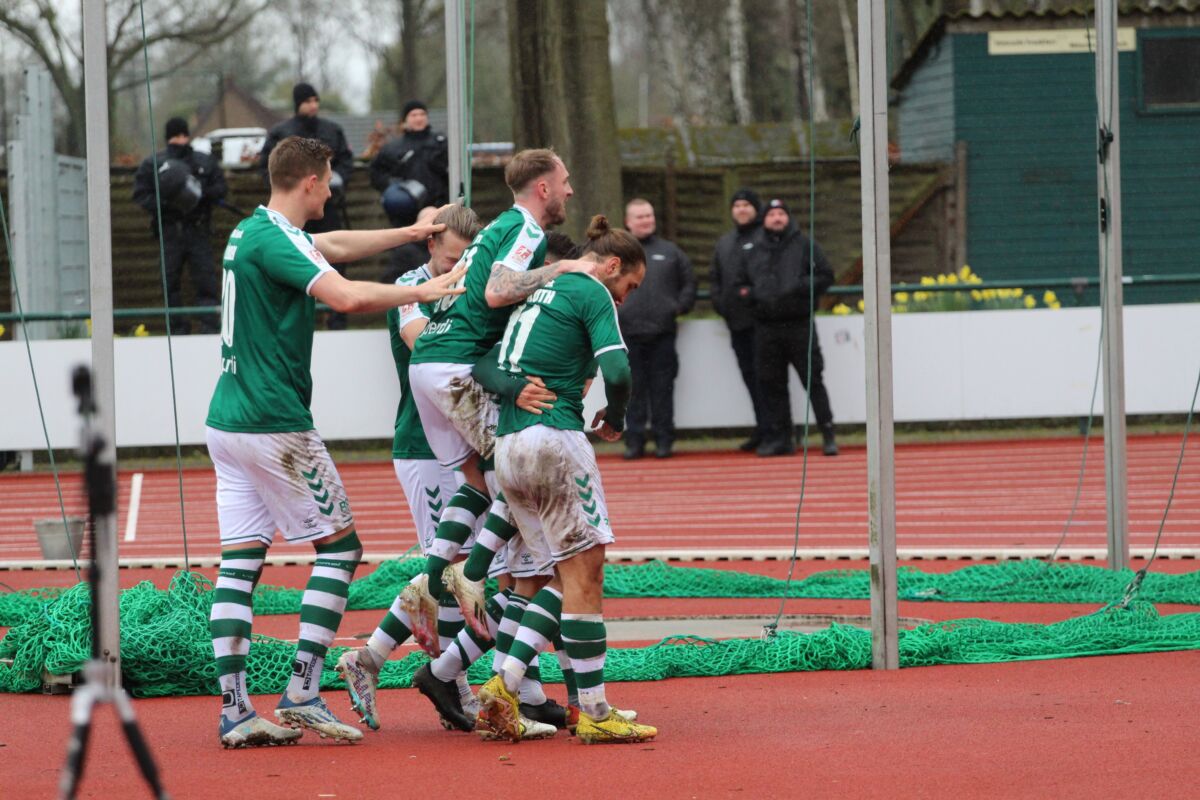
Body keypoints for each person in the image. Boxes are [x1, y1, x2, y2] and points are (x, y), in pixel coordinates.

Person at [204, 136, 465, 749]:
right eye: (329, 180)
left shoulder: (256, 231)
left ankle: (237, 710)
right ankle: (302, 690)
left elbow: (334, 248)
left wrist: (409, 232)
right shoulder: (276, 239)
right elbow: (345, 294)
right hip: (274, 423)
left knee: (240, 563)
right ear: (313, 182)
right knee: (340, 550)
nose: (333, 189)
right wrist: (421, 291)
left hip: (227, 421)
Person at [475, 214, 658, 744]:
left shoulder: (540, 286)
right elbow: (619, 372)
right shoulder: (589, 289)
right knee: (587, 574)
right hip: (554, 441)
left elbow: (485, 364)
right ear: (614, 265)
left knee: (563, 576)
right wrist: (616, 418)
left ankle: (505, 683)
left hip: (508, 449)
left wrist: (513, 388)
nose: (625, 298)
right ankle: (596, 711)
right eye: (630, 286)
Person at [402, 148, 587, 653]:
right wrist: (565, 268)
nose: (570, 190)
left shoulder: (497, 226)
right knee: (517, 461)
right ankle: (472, 574)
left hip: (430, 363)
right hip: (457, 363)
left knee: (480, 480)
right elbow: (498, 291)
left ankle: (430, 580)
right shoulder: (527, 229)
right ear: (543, 187)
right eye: (565, 181)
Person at [736, 198, 838, 457]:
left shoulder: (805, 245)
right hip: (766, 328)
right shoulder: (753, 248)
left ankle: (827, 434)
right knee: (772, 384)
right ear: (764, 219)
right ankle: (782, 438)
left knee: (813, 379)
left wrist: (800, 288)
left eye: (782, 213)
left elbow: (826, 275)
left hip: (799, 325)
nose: (777, 218)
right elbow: (739, 282)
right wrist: (751, 296)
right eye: (772, 214)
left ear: (788, 218)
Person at [259, 83, 355, 330]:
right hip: (294, 214)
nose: (313, 105)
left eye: (316, 100)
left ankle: (336, 321)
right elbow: (267, 168)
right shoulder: (281, 132)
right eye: (307, 100)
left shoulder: (332, 130)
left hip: (327, 207)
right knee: (294, 260)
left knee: (334, 257)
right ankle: (299, 318)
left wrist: (337, 180)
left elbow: (346, 160)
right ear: (297, 103)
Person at [132, 116, 227, 334]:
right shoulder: (153, 164)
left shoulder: (204, 162)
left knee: (206, 282)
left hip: (198, 228)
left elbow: (220, 190)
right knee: (170, 283)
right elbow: (141, 196)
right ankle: (177, 330)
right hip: (169, 230)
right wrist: (168, 203)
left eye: (182, 135)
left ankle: (210, 328)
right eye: (177, 136)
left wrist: (198, 195)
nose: (180, 140)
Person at [616, 198, 695, 459]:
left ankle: (664, 441)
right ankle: (634, 441)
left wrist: (678, 307)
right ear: (628, 221)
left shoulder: (671, 251)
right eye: (640, 216)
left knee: (663, 389)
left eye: (649, 215)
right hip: (627, 334)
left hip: (663, 334)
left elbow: (689, 284)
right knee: (632, 390)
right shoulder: (617, 253)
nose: (646, 220)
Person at [711, 188, 769, 451]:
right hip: (737, 324)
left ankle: (776, 430)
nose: (742, 209)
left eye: (747, 204)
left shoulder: (766, 237)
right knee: (750, 377)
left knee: (767, 378)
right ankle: (762, 427)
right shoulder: (725, 242)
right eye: (737, 205)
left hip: (764, 323)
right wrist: (721, 303)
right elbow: (715, 278)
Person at [369, 99, 450, 227]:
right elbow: (375, 172)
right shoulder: (392, 148)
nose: (419, 118)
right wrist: (391, 185)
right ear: (405, 120)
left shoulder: (441, 143)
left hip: (439, 208)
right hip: (405, 213)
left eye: (422, 114)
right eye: (414, 115)